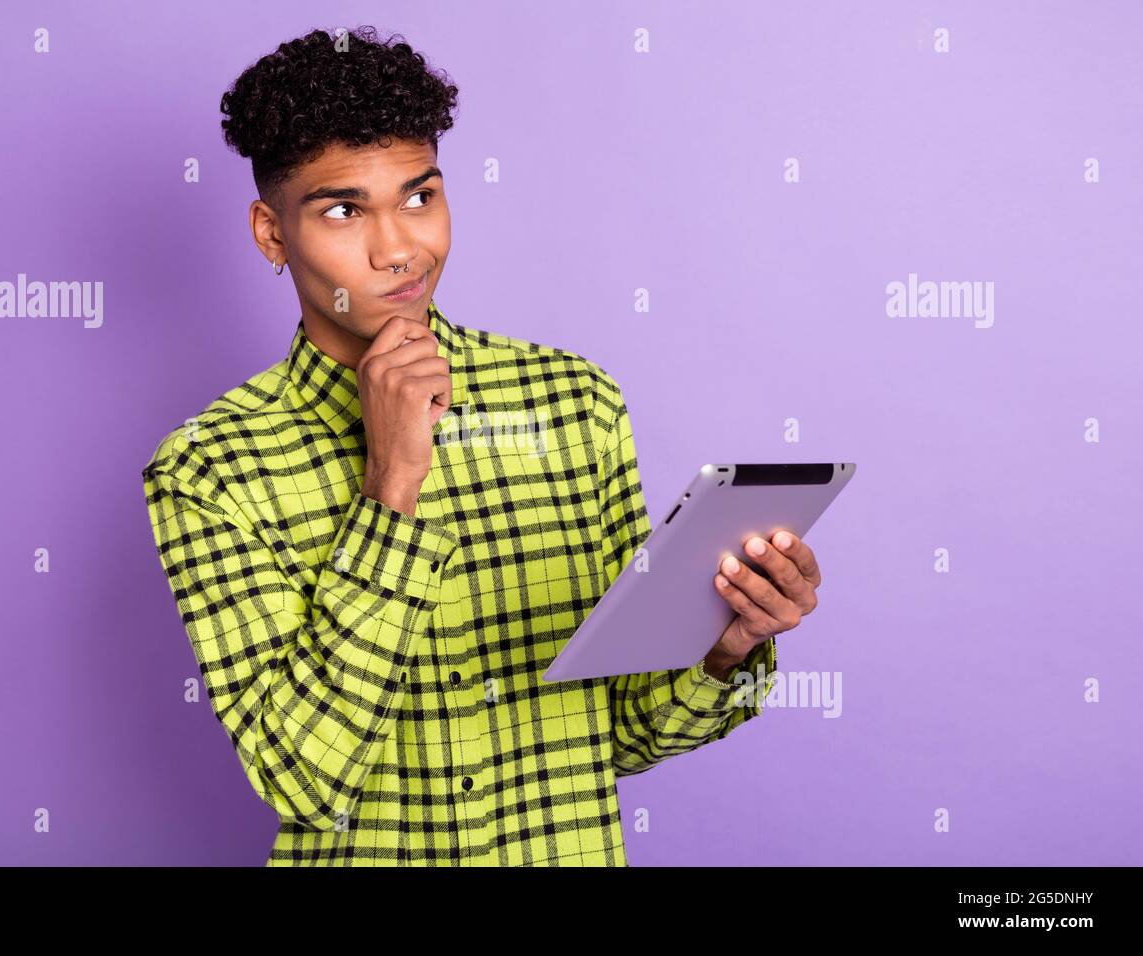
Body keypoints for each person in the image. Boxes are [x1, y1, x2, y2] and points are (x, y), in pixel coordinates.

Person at [141, 25, 823, 866]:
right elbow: (302, 781)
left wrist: (727, 645)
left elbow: (618, 736)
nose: (398, 249)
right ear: (272, 234)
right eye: (344, 210)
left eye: (420, 197)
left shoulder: (574, 403)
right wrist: (390, 485)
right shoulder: (210, 470)